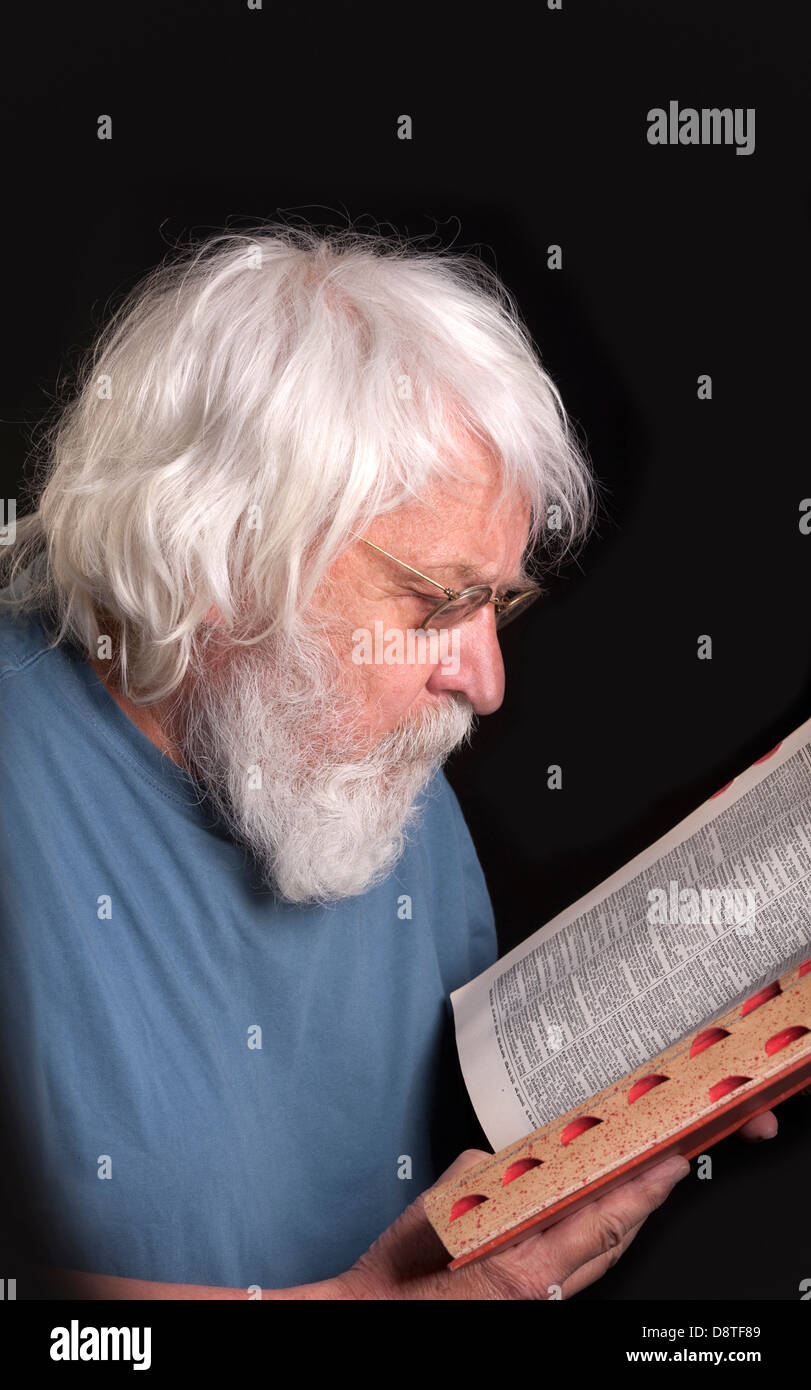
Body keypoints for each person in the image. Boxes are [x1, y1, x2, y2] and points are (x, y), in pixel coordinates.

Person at [0, 225, 776, 1300]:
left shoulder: (374, 777)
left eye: (497, 603)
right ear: (222, 553)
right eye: (438, 603)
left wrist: (648, 1095)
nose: (489, 682)